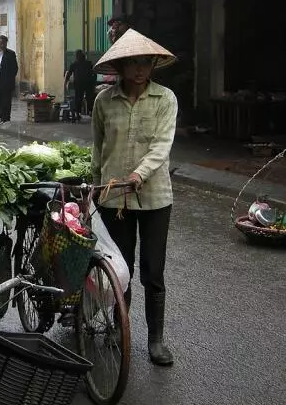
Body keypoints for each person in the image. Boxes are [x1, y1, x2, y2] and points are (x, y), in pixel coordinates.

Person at [90, 29, 178, 367]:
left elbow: (161, 146)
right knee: (120, 269)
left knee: (153, 271)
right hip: (113, 200)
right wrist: (96, 187)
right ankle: (118, 328)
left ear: (153, 64)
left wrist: (138, 175)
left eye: (146, 63)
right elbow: (98, 149)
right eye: (133, 63)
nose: (140, 69)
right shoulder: (103, 101)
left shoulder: (165, 99)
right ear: (121, 66)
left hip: (155, 198)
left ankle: (155, 340)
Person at [65, 50, 97, 120]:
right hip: (88, 83)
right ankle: (89, 111)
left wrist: (66, 82)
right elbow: (94, 73)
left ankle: (78, 113)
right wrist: (94, 82)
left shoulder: (74, 64)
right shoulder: (88, 63)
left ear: (77, 56)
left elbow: (68, 74)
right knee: (89, 98)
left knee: (79, 98)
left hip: (80, 84)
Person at [0, 36, 18, 125]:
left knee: (6, 101)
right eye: (1, 43)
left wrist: (9, 79)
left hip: (7, 81)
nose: (3, 45)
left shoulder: (10, 54)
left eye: (4, 43)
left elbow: (15, 68)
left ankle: (6, 118)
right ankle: (1, 117)